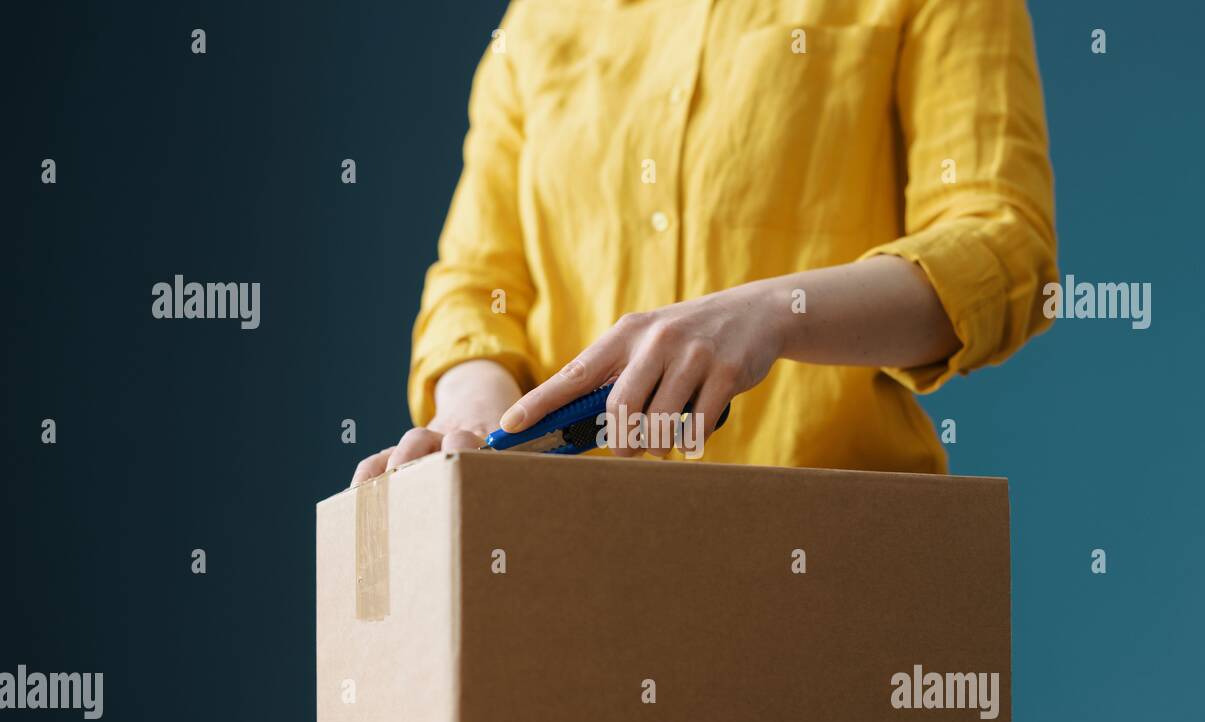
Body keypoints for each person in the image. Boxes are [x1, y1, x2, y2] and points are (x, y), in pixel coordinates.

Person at [353, 0, 1057, 485]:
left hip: (841, 567)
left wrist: (772, 314)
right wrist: (476, 416)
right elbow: (476, 285)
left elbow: (1002, 244)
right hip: (563, 568)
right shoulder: (539, 23)